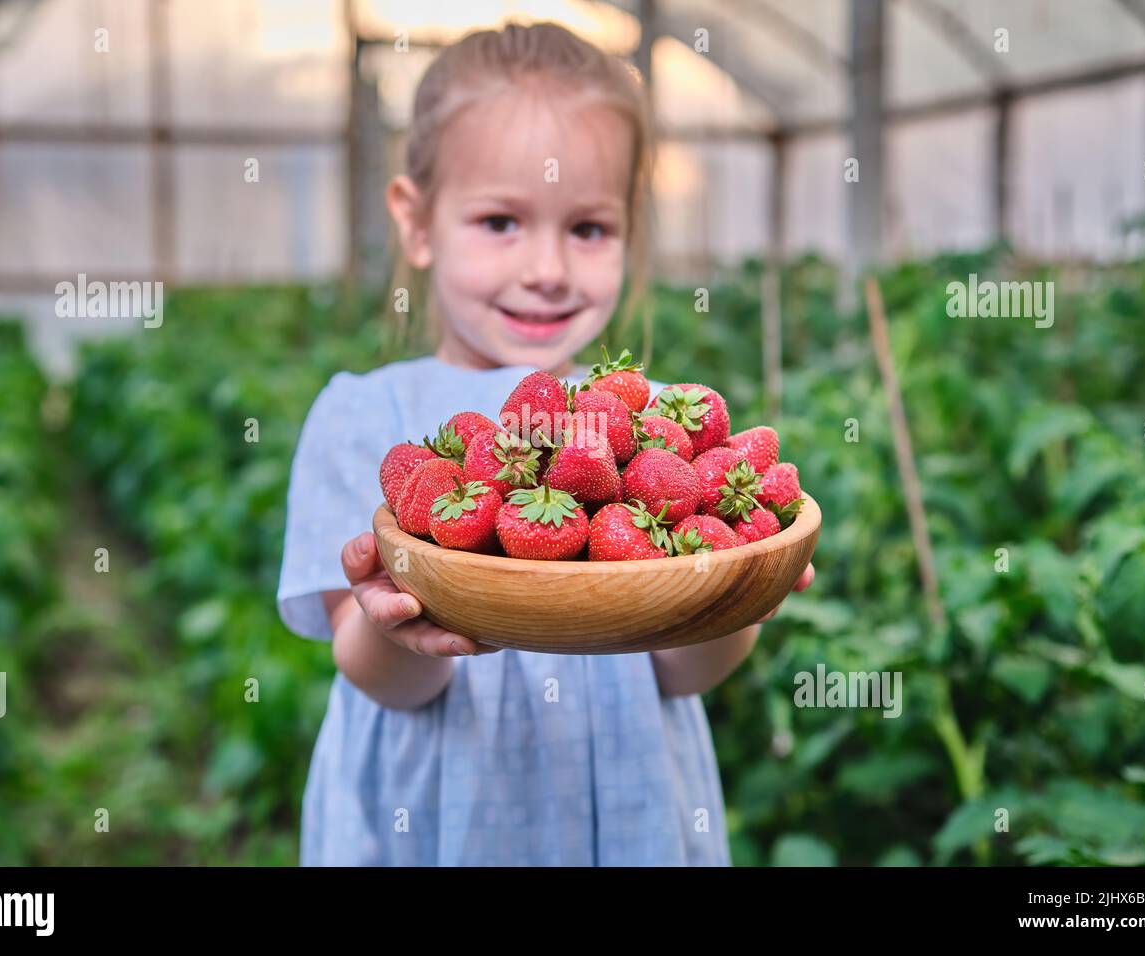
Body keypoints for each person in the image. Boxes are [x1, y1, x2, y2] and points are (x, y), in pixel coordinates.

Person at [278, 20, 813, 866]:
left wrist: (730, 593)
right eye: (500, 221)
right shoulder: (366, 418)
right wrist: (396, 625)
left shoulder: (653, 430)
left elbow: (684, 672)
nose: (549, 267)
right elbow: (381, 676)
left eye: (589, 229)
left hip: (626, 803)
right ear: (416, 223)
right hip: (437, 811)